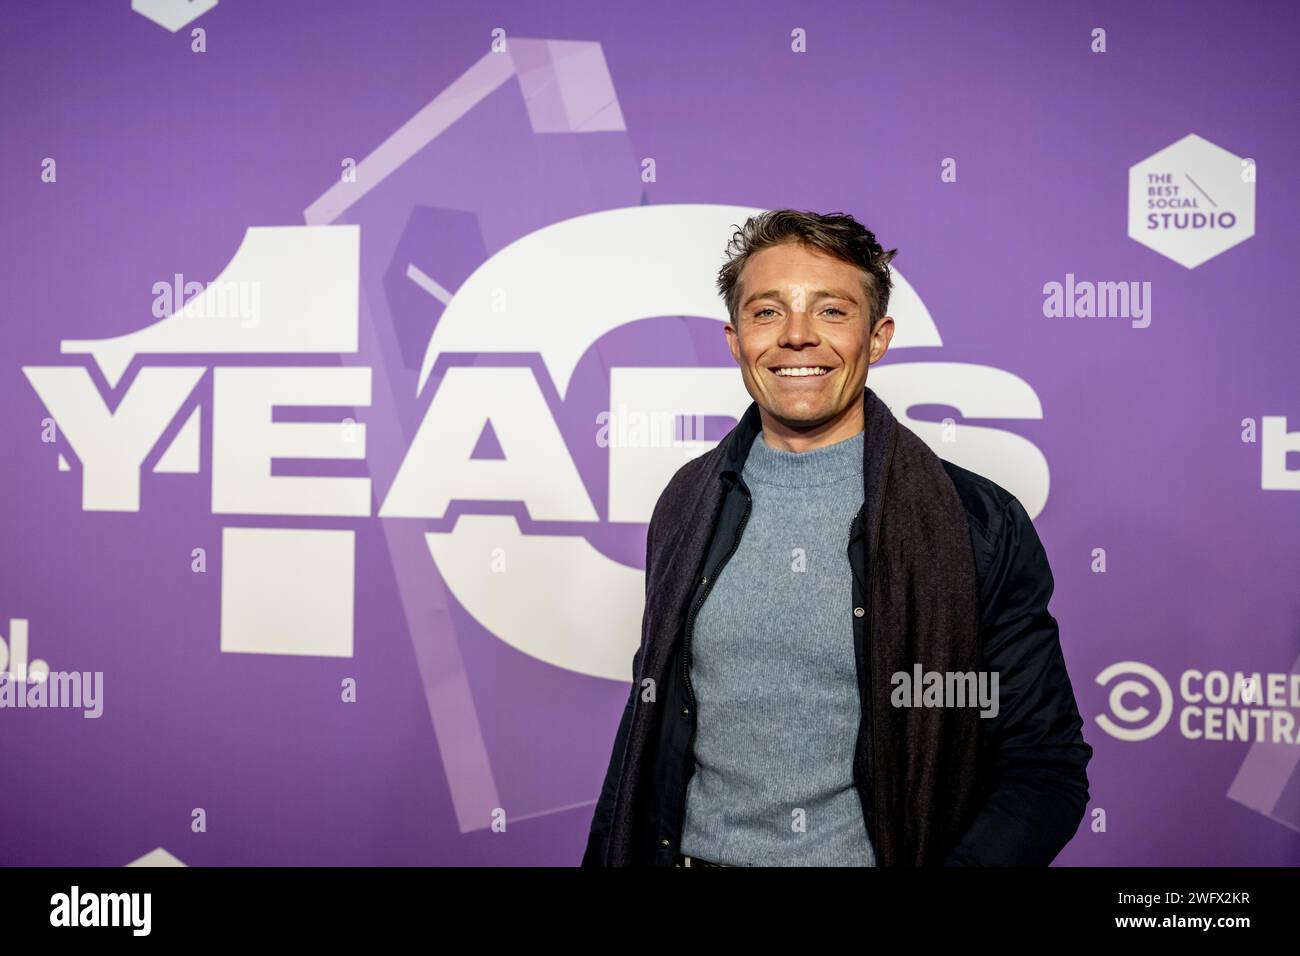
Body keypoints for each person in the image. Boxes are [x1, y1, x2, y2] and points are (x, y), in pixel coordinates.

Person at [582, 209, 1092, 866]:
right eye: (768, 313)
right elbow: (646, 734)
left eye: (831, 312)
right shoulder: (690, 500)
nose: (797, 337)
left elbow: (1045, 768)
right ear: (735, 339)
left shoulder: (977, 522)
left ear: (876, 338)